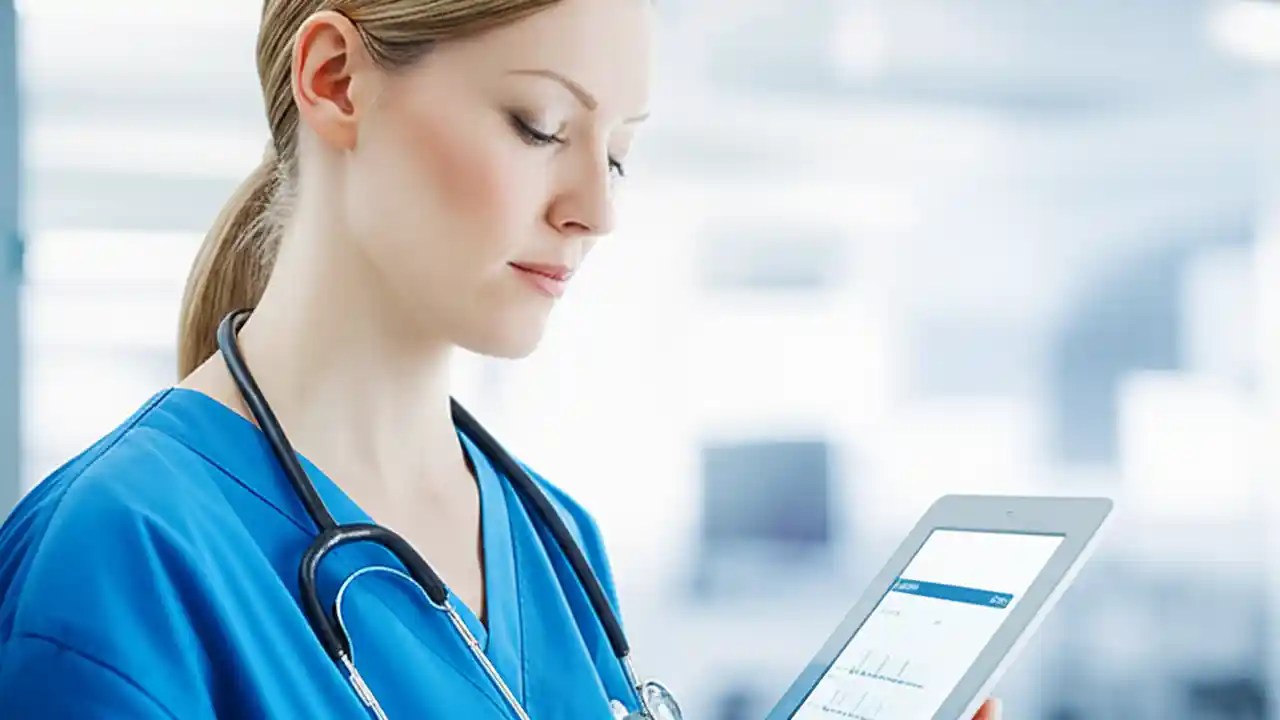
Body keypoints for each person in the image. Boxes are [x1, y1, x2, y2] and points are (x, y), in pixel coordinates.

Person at [0, 0, 1002, 717]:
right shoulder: (117, 559)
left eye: (616, 153)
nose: (596, 211)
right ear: (335, 81)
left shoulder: (556, 539)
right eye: (541, 127)